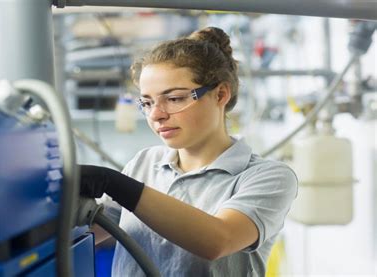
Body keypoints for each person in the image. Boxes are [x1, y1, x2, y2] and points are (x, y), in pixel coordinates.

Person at [79, 26, 298, 277]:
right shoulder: (145, 163)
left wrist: (116, 184)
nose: (156, 115)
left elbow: (218, 240)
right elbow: (86, 233)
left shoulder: (267, 177)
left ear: (220, 94)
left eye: (174, 99)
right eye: (147, 103)